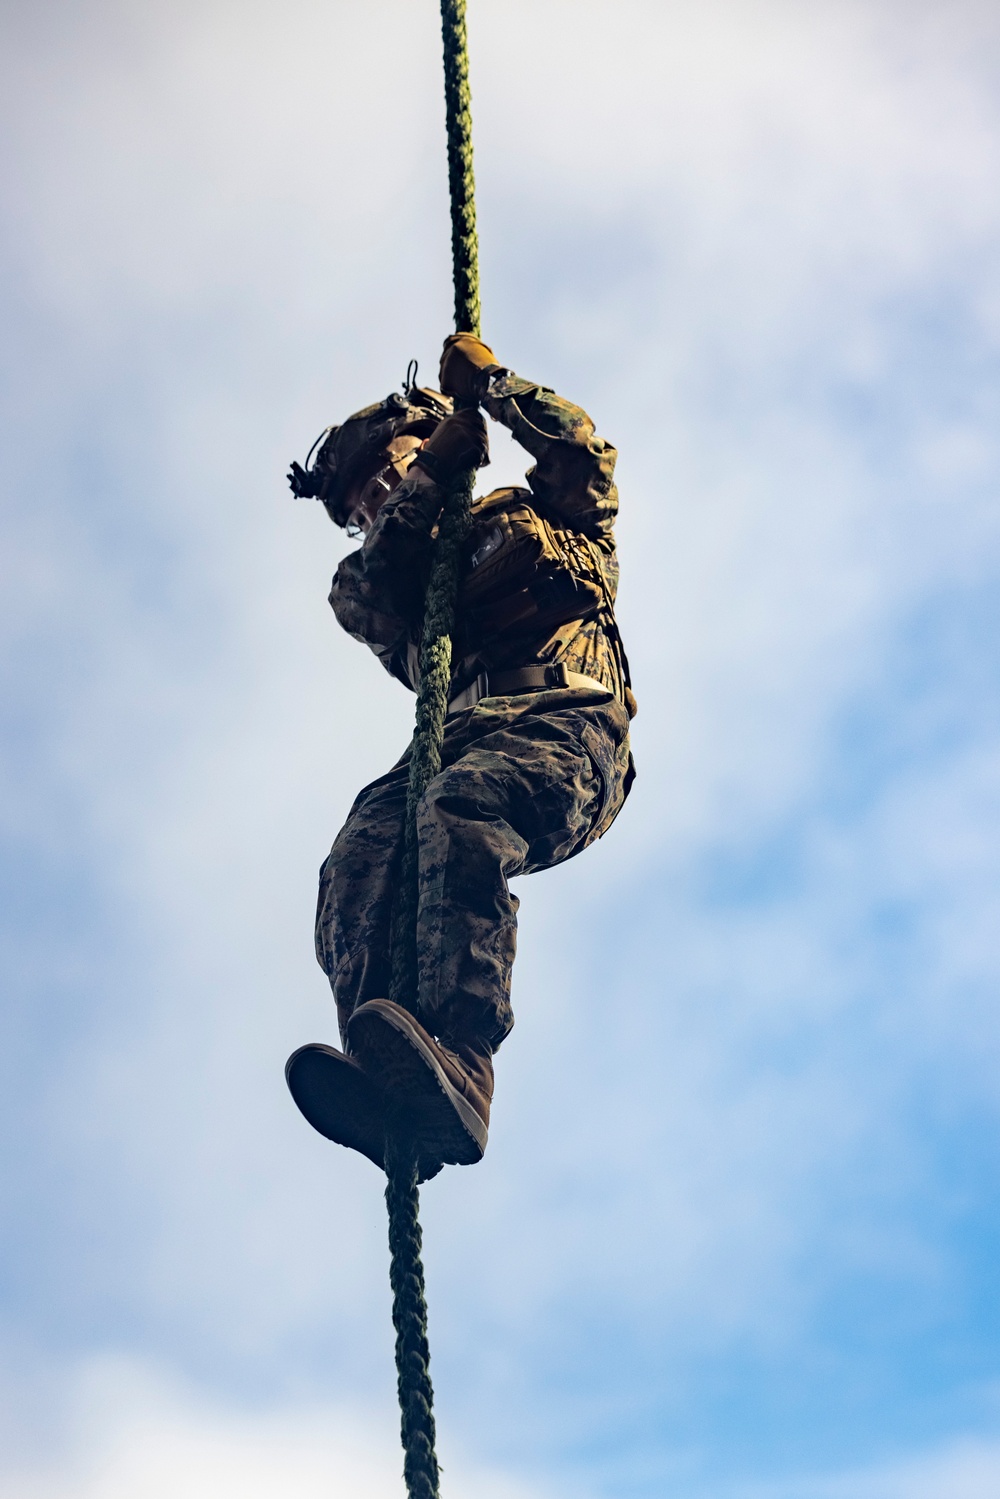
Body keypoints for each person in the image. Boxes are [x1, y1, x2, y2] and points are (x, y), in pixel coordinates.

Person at [285, 335, 636, 1181]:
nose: (379, 500)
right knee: (358, 855)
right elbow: (376, 588)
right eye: (362, 502)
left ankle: (464, 1058)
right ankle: (390, 1069)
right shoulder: (375, 581)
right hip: (460, 735)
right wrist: (432, 470)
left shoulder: (544, 514)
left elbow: (582, 453)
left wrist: (493, 389)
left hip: (566, 724)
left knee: (462, 808)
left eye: (387, 472)